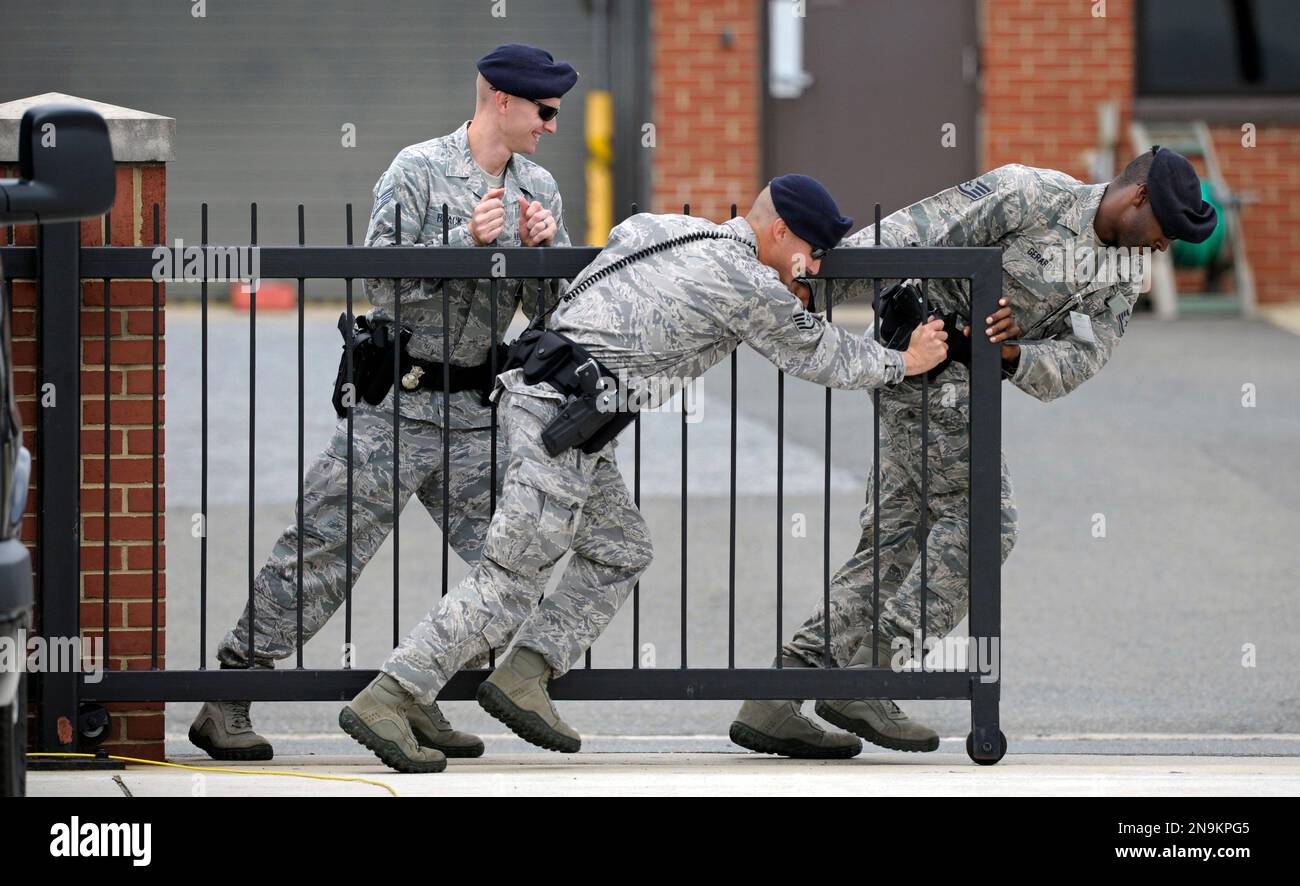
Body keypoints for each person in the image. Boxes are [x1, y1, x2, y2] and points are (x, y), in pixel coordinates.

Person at [337, 174, 952, 772]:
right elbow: (819, 353)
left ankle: (525, 672)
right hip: (559, 415)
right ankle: (392, 696)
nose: (815, 269)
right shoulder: (744, 279)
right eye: (813, 254)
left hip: (562, 411)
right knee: (513, 573)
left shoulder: (665, 227)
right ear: (781, 231)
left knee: (620, 549)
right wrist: (906, 359)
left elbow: (598, 285)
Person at [729, 147, 1219, 759]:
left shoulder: (1124, 271)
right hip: (924, 358)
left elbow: (1082, 358)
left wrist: (1016, 357)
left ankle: (784, 690)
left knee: (896, 537)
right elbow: (910, 236)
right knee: (988, 521)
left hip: (969, 381)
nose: (1164, 247)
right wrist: (805, 284)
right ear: (1138, 196)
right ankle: (871, 676)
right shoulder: (1030, 196)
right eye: (1165, 231)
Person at [188, 44, 577, 765]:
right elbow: (379, 283)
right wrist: (466, 241)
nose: (551, 126)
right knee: (321, 550)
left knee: (514, 561)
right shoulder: (417, 170)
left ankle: (417, 695)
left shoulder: (540, 188)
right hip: (397, 405)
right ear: (500, 99)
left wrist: (548, 257)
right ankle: (227, 698)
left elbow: (550, 317)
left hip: (476, 413)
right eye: (544, 111)